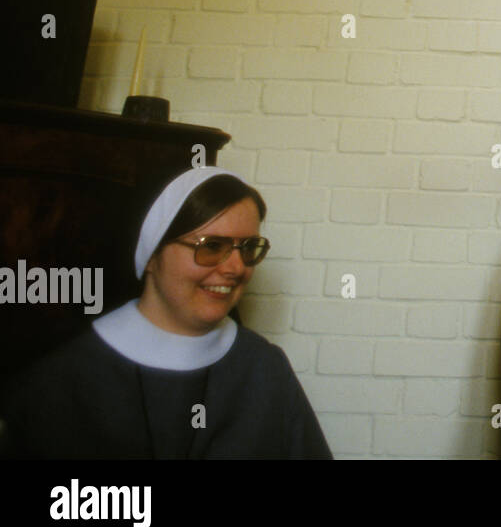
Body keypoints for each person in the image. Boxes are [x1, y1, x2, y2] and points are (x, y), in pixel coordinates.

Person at [0, 167, 332, 459]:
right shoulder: (60, 379)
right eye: (211, 246)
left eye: (248, 248)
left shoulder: (265, 369)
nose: (235, 267)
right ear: (152, 253)